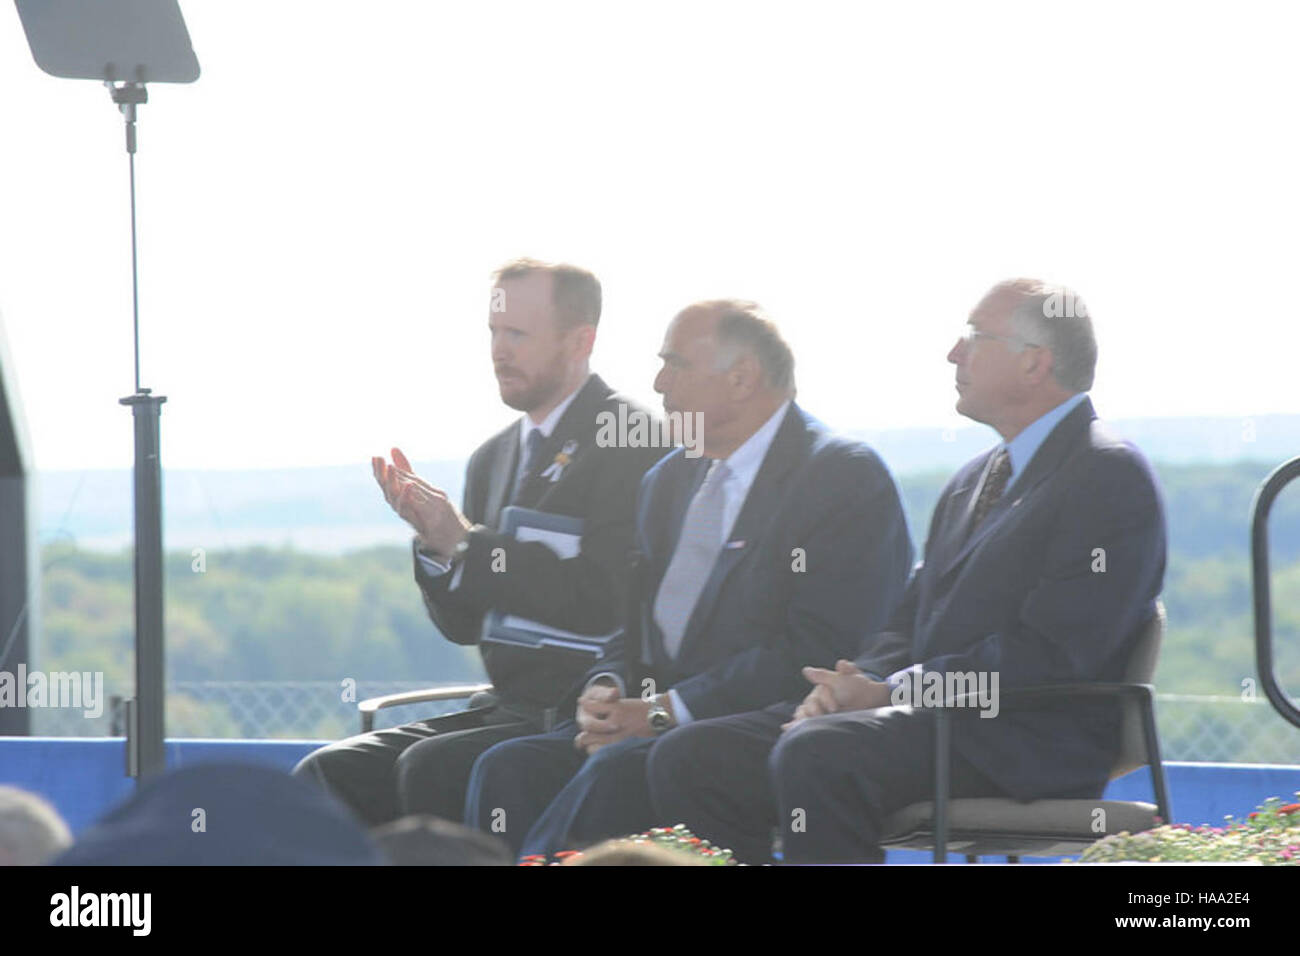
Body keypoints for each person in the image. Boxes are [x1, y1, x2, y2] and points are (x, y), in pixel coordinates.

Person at [648, 279, 1168, 864]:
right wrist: (850, 687)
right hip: (927, 722)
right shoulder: (974, 478)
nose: (954, 353)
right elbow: (908, 620)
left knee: (819, 752)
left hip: (1020, 736)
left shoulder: (1105, 474)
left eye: (975, 337)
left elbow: (1048, 653)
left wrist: (892, 690)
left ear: (1035, 363)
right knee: (692, 756)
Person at [465, 299, 913, 856]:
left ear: (742, 378)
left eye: (674, 363)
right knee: (509, 767)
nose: (657, 382)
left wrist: (663, 712)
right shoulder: (668, 479)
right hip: (658, 720)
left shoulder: (840, 476)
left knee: (626, 770)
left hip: (760, 723)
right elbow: (636, 627)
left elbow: (816, 649)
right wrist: (606, 688)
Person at [294, 258, 665, 825]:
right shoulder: (493, 459)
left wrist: (468, 542)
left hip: (585, 712)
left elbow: (602, 599)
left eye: (518, 334)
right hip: (507, 708)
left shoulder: (629, 438)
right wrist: (440, 548)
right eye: (494, 332)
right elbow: (464, 626)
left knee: (431, 767)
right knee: (327, 773)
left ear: (579, 340)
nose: (499, 350)